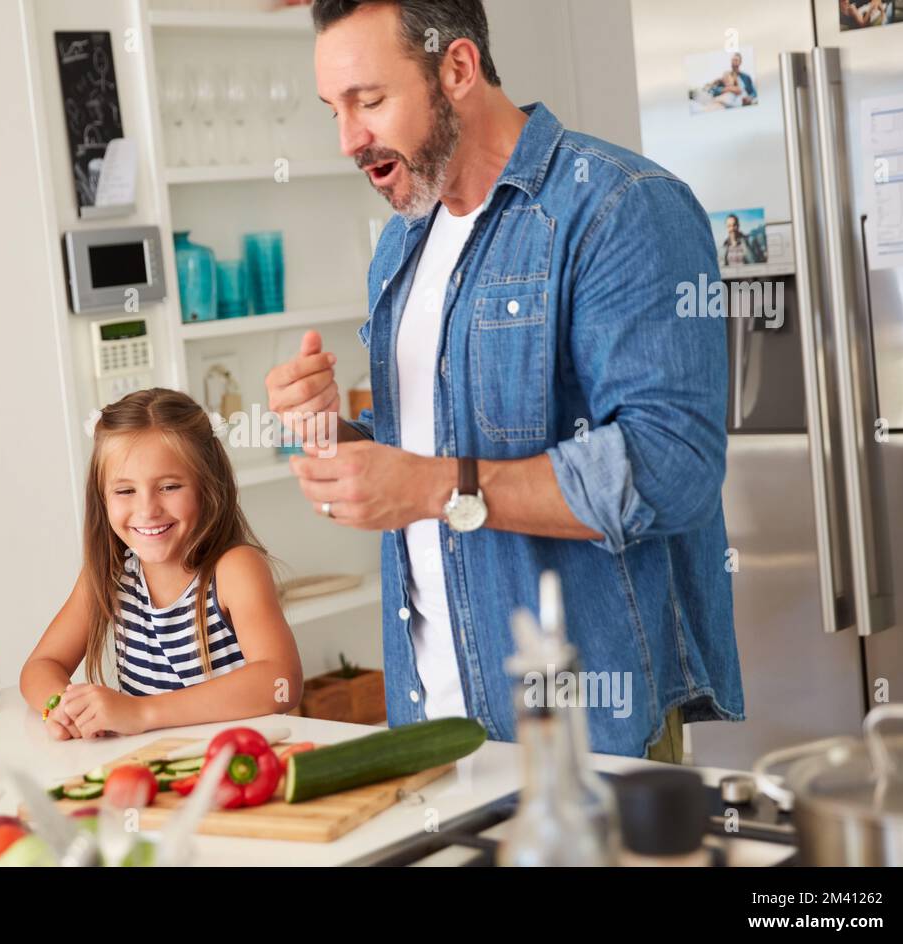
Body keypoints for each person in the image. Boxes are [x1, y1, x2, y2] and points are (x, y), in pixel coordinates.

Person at [265, 0, 743, 760]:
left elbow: (673, 466)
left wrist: (430, 488)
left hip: (589, 733)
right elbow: (422, 458)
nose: (349, 140)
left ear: (457, 68)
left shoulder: (620, 206)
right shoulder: (402, 242)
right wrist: (337, 436)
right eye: (334, 110)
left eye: (370, 101)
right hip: (431, 728)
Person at [21, 389, 302, 739]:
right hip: (152, 767)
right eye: (125, 491)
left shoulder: (234, 569)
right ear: (102, 498)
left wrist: (140, 712)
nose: (147, 509)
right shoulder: (111, 575)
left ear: (208, 487)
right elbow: (40, 666)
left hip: (234, 763)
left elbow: (281, 683)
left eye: (169, 486)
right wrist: (61, 705)